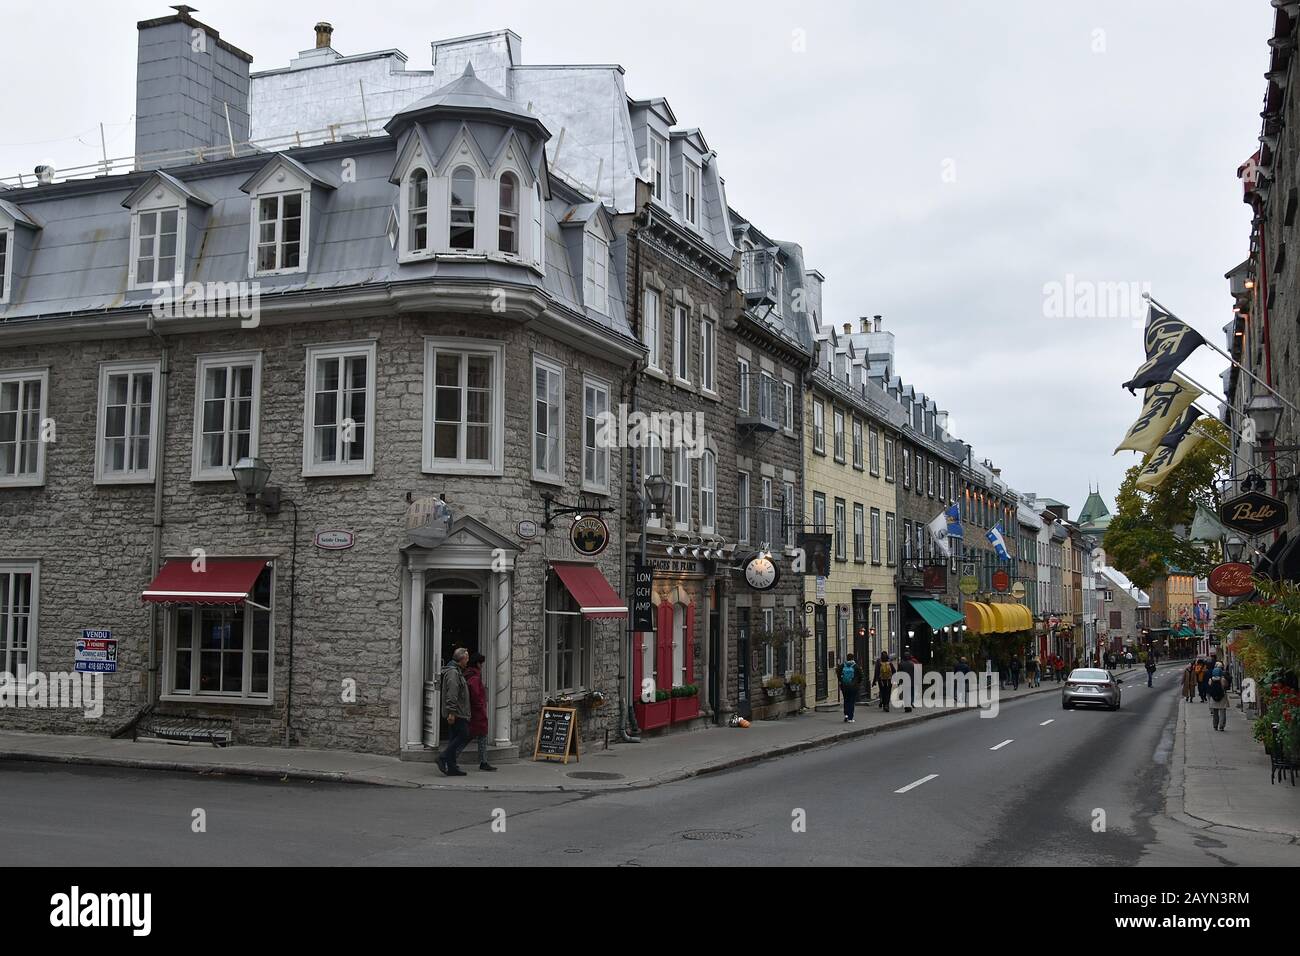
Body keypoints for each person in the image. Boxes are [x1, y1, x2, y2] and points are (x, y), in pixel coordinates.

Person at [437, 647, 472, 776]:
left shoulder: (457, 671)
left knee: (453, 738)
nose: (467, 661)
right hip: (457, 713)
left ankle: (451, 767)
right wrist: (452, 712)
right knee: (464, 734)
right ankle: (443, 757)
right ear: (461, 659)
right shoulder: (453, 673)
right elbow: (452, 694)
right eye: (467, 659)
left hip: (458, 711)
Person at [464, 652, 496, 771]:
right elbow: (476, 696)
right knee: (468, 737)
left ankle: (484, 761)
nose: (482, 666)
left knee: (479, 736)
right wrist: (481, 707)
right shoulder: (474, 677)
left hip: (474, 711)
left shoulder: (470, 675)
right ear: (477, 664)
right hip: (476, 712)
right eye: (481, 664)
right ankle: (449, 756)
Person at [837, 653, 863, 723]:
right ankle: (850, 718)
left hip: (844, 686)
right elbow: (861, 676)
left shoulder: (842, 665)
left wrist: (841, 681)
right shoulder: (856, 666)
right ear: (853, 658)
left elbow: (838, 673)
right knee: (851, 701)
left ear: (847, 658)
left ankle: (846, 715)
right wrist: (858, 683)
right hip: (853, 687)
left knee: (846, 700)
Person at [1207, 664, 1229, 731]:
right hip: (1222, 697)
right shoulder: (1223, 679)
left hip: (1213, 698)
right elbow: (1226, 686)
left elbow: (1209, 687)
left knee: (1215, 713)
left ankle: (1215, 726)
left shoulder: (1210, 680)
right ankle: (1221, 726)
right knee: (1222, 712)